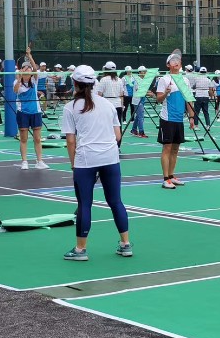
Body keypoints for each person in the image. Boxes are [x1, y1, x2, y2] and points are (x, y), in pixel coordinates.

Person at [60, 65, 131, 261]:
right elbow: (118, 136)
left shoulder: (70, 107)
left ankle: (80, 249)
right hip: (111, 159)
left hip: (85, 160)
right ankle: (126, 244)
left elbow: (71, 141)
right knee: (116, 201)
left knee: (85, 204)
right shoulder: (108, 105)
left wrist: (74, 164)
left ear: (75, 83)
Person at [156, 51, 195, 189]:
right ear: (168, 65)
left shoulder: (185, 80)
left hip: (179, 119)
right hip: (167, 118)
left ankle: (172, 176)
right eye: (173, 61)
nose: (176, 62)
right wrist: (166, 93)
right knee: (167, 147)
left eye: (178, 60)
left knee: (175, 149)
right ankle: (165, 179)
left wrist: (191, 117)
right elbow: (158, 99)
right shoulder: (164, 79)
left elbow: (189, 99)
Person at [13, 47, 47, 170]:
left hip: (36, 112)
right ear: (21, 70)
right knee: (24, 138)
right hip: (23, 112)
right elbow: (15, 91)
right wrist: (18, 79)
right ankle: (24, 162)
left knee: (37, 138)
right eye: (25, 67)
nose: (28, 68)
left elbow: (35, 69)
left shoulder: (34, 80)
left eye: (29, 67)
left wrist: (29, 55)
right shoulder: (16, 82)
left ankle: (39, 161)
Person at [130, 66, 149, 138]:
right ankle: (141, 132)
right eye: (143, 71)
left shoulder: (143, 80)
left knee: (138, 116)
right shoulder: (137, 80)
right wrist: (149, 93)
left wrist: (149, 92)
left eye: (145, 71)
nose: (145, 73)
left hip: (142, 100)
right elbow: (140, 90)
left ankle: (134, 130)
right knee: (141, 117)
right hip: (137, 100)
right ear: (140, 72)